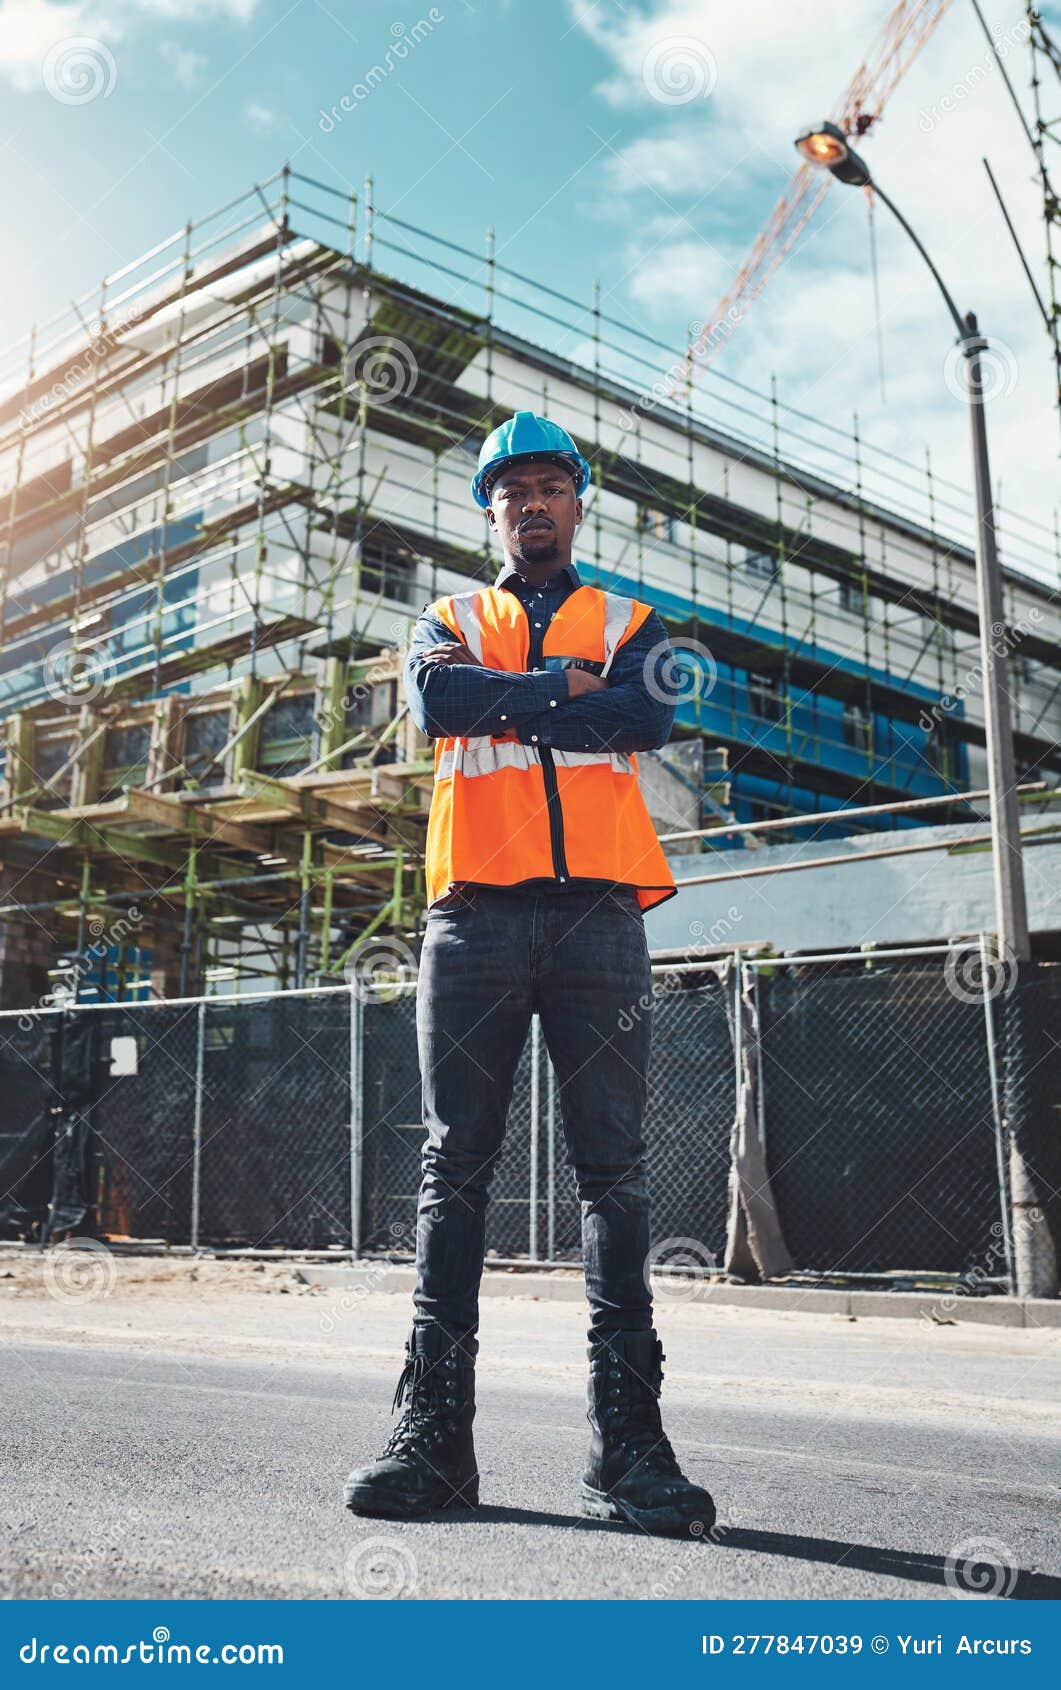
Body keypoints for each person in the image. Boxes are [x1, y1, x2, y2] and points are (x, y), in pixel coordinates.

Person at [344, 411, 715, 1537]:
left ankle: (629, 1448)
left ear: (578, 502)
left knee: (614, 1174)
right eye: (515, 491)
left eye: (552, 486)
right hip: (473, 920)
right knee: (453, 1166)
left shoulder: (633, 619)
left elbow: (646, 711)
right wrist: (565, 694)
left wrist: (524, 691)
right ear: (490, 511)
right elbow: (435, 703)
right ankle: (433, 1441)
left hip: (601, 915)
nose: (535, 503)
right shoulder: (442, 619)